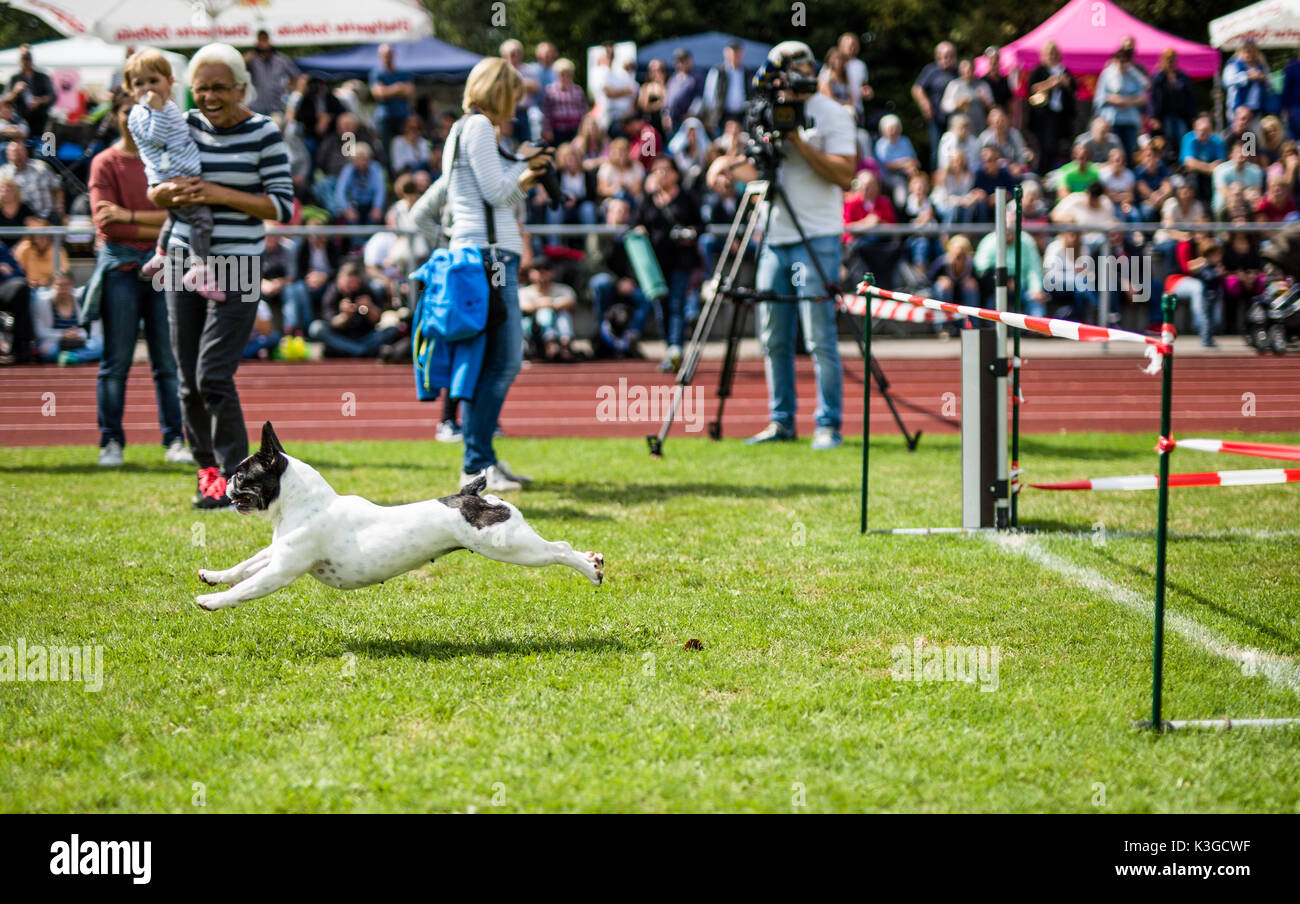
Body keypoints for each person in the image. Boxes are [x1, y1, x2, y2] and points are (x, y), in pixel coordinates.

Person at [147, 43, 294, 509]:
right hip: (180, 261)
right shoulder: (183, 126)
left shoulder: (264, 132)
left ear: (241, 88)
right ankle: (208, 476)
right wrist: (170, 191)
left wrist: (217, 192)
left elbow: (283, 206)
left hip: (239, 266)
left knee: (213, 373)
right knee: (187, 379)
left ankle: (237, 477)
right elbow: (155, 190)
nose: (209, 96)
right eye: (201, 88)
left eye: (219, 88)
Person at [413, 57, 553, 491]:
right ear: (501, 92)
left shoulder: (461, 132)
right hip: (490, 261)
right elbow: (497, 191)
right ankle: (476, 463)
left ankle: (483, 460)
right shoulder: (478, 128)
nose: (517, 105)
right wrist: (527, 165)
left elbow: (423, 212)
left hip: (478, 259)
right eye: (514, 95)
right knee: (504, 361)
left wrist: (452, 240)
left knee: (491, 362)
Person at [709, 41, 854, 450]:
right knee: (772, 336)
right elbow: (758, 166)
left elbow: (845, 175)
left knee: (818, 338)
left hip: (818, 235)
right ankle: (781, 420)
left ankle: (828, 424)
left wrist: (799, 142)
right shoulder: (768, 112)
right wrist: (725, 169)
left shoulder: (833, 113)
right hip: (774, 235)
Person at [87, 87, 192, 467]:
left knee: (168, 361)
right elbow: (104, 223)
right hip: (121, 271)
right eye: (128, 110)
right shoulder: (105, 162)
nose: (135, 117)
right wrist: (152, 222)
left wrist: (129, 217)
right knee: (116, 361)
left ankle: (174, 440)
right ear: (115, 115)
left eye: (143, 110)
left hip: (164, 270)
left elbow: (178, 216)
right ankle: (110, 441)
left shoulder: (164, 162)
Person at [124, 50, 221, 300]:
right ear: (130, 89)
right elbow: (156, 138)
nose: (147, 88)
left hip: (178, 174)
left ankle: (160, 256)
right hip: (172, 179)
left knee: (174, 218)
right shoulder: (140, 113)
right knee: (201, 220)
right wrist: (156, 110)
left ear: (170, 81)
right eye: (139, 83)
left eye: (153, 81)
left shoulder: (169, 107)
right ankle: (199, 269)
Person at [633, 155, 703, 372]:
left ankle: (675, 349)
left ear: (675, 173)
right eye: (657, 170)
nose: (661, 174)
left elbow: (701, 225)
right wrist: (639, 230)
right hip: (656, 262)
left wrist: (690, 234)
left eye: (665, 170)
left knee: (676, 304)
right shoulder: (649, 198)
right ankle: (670, 349)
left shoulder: (686, 197)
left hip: (681, 259)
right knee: (661, 307)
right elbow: (636, 223)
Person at [308, 261, 397, 357]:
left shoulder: (366, 290)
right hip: (342, 338)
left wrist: (370, 308)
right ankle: (359, 351)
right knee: (316, 328)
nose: (351, 287)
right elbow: (332, 323)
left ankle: (354, 350)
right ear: (339, 280)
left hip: (364, 336)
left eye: (354, 283)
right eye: (348, 283)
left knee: (392, 330)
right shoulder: (332, 293)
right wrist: (344, 316)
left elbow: (377, 320)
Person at [1025, 41, 1076, 170]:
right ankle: (1043, 172)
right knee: (1045, 147)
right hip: (1044, 117)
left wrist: (1065, 84)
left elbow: (1074, 88)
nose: (1052, 56)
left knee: (1061, 148)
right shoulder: (1039, 71)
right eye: (1049, 53)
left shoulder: (1064, 71)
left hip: (1062, 116)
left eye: (1054, 53)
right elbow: (1032, 89)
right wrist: (1051, 84)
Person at [32, 273, 101, 364]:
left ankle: (73, 357)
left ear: (73, 286)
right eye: (59, 285)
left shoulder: (82, 299)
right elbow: (40, 332)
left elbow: (94, 332)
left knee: (99, 346)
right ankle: (76, 357)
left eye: (67, 285)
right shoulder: (42, 302)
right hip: (55, 342)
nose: (63, 290)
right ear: (52, 287)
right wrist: (63, 335)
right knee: (49, 351)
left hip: (80, 341)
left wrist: (78, 334)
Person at [1094, 43, 1148, 158]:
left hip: (1130, 121)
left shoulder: (1134, 76)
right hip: (1112, 122)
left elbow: (1142, 97)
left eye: (1125, 60)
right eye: (1119, 60)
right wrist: (1129, 99)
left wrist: (1122, 100)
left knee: (1129, 153)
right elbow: (1101, 97)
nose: (1122, 63)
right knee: (1114, 153)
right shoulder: (1107, 74)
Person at [519, 256, 577, 361]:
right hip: (532, 331)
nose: (542, 273)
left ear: (553, 272)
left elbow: (571, 302)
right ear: (530, 273)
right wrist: (543, 304)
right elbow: (523, 306)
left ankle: (564, 346)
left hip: (558, 332)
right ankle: (549, 343)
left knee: (563, 315)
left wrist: (549, 305)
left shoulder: (562, 289)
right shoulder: (524, 292)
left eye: (546, 269)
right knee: (542, 313)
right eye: (538, 269)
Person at [913, 41, 959, 170]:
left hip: (955, 119)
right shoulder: (931, 70)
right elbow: (917, 89)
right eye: (944, 56)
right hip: (937, 117)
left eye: (950, 56)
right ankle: (937, 178)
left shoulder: (959, 70)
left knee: (956, 148)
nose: (947, 59)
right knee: (937, 149)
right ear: (937, 57)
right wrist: (925, 104)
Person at [0, 141, 61, 222]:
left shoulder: (41, 168)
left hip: (46, 214)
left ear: (26, 152)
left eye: (20, 151)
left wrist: (60, 206)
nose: (18, 154)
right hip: (20, 218)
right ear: (8, 155)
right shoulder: (3, 173)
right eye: (14, 152)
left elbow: (57, 187)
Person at [245, 30, 300, 117]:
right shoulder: (252, 59)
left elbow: (296, 76)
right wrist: (253, 52)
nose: (264, 44)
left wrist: (287, 88)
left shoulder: (281, 59)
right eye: (261, 40)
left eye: (265, 39)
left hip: (276, 107)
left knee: (275, 127)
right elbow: (240, 67)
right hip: (256, 107)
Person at [4, 45, 54, 140]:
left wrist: (39, 101)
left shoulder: (42, 77)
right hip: (20, 120)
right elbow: (5, 101)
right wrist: (15, 92)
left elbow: (52, 96)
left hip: (40, 120)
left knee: (41, 147)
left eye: (28, 57)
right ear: (20, 60)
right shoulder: (14, 78)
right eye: (23, 58)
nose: (26, 61)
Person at [371, 44, 414, 153]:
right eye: (385, 55)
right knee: (386, 149)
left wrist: (387, 91)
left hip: (402, 117)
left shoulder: (403, 73)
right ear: (380, 56)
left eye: (389, 55)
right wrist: (398, 88)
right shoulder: (377, 73)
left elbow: (409, 91)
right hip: (385, 118)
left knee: (403, 147)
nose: (387, 58)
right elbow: (378, 93)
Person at [1151, 49, 1194, 155]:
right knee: (1167, 138)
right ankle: (1170, 160)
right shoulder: (1159, 77)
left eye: (1172, 59)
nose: (1170, 61)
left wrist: (1193, 115)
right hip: (1164, 115)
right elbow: (1153, 98)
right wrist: (1154, 117)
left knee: (1182, 136)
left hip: (1181, 114)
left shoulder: (1182, 77)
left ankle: (1181, 159)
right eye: (1168, 59)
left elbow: (1190, 97)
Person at [1212, 135, 1265, 218]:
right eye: (1237, 152)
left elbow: (1257, 194)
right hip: (1225, 208)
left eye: (1244, 152)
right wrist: (1244, 194)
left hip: (1247, 208)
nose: (1241, 155)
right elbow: (1226, 193)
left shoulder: (1256, 171)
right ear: (1231, 155)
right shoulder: (1220, 170)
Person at [1223, 39, 1273, 127]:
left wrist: (1263, 78)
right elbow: (1227, 82)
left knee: (1253, 137)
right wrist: (1247, 77)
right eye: (1247, 51)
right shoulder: (1233, 65)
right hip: (1238, 108)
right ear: (1240, 52)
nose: (1250, 54)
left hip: (1257, 109)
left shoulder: (1261, 66)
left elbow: (1270, 84)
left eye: (1252, 51)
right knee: (1239, 135)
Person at [703, 41, 748, 133]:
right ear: (726, 53)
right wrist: (711, 115)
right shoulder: (718, 71)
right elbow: (709, 96)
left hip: (741, 116)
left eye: (738, 52)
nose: (735, 55)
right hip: (722, 116)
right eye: (733, 52)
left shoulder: (746, 72)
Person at [1180, 113, 1226, 205]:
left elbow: (1220, 163)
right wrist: (1208, 167)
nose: (1201, 133)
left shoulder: (1217, 141)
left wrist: (1199, 166)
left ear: (1210, 131)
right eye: (1198, 130)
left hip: (1210, 176)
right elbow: (1189, 163)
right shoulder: (1188, 139)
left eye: (1205, 131)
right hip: (1193, 174)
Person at [941, 59, 994, 136]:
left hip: (978, 127)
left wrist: (983, 99)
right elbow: (944, 106)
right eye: (964, 70)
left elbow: (992, 106)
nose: (967, 72)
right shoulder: (954, 85)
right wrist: (957, 104)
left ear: (973, 69)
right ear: (960, 71)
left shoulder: (982, 85)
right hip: (959, 130)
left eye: (969, 69)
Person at [12, 216, 67, 288]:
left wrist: (48, 281)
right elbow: (16, 273)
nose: (42, 240)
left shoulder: (58, 251)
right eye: (38, 236)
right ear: (33, 237)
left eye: (44, 236)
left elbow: (64, 275)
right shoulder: (24, 249)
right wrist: (28, 283)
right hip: (28, 289)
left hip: (51, 289)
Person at [541, 58, 587, 145]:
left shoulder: (577, 90)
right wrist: (547, 130)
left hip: (575, 128)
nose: (565, 76)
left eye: (568, 74)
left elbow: (583, 111)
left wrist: (583, 130)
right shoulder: (550, 90)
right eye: (562, 74)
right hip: (557, 130)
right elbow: (546, 113)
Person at [665, 49, 700, 133]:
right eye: (679, 61)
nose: (681, 64)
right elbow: (668, 99)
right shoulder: (673, 78)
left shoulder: (697, 78)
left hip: (687, 121)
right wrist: (666, 115)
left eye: (684, 61)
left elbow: (699, 99)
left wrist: (691, 114)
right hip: (672, 120)